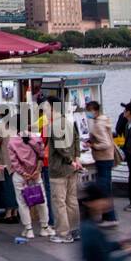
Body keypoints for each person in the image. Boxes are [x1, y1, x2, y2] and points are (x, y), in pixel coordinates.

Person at [47, 100, 82, 243]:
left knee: (59, 202)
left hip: (59, 169)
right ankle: (75, 231)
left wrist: (70, 160)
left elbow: (61, 148)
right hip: (71, 169)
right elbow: (77, 139)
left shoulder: (54, 125)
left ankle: (63, 233)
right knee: (72, 200)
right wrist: (77, 158)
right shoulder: (68, 121)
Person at [7, 128, 50, 238]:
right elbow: (41, 154)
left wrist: (23, 173)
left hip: (20, 176)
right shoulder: (36, 137)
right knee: (41, 200)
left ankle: (29, 229)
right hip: (36, 175)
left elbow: (14, 162)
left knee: (22, 203)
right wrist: (37, 170)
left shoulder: (12, 141)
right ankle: (44, 227)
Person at [84, 102, 118, 225]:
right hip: (107, 158)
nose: (87, 113)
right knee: (106, 187)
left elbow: (105, 143)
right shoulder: (104, 120)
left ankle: (109, 218)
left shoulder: (98, 125)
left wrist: (92, 145)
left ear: (93, 110)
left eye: (88, 110)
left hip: (103, 159)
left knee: (103, 188)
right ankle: (109, 216)